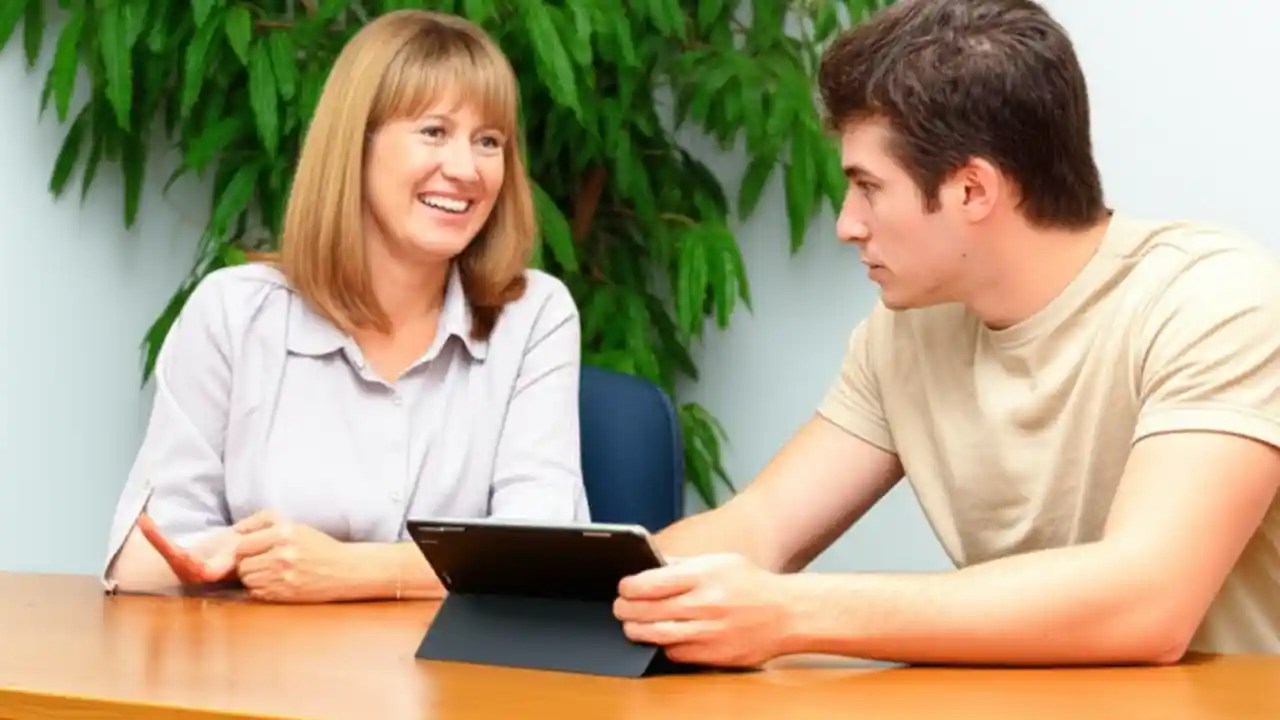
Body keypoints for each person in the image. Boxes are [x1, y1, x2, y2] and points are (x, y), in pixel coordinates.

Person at [615, 0, 1280, 667]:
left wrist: (791, 612)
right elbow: (758, 527)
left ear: (971, 191)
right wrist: (593, 592)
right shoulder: (906, 333)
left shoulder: (1216, 301)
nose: (847, 224)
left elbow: (1148, 603)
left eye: (868, 187)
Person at [102, 9, 589, 603]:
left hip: (456, 691)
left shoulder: (534, 315)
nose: (465, 170)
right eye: (434, 132)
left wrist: (352, 572)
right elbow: (140, 561)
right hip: (267, 683)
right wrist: (237, 558)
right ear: (354, 146)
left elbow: (541, 557)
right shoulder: (233, 312)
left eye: (488, 142)